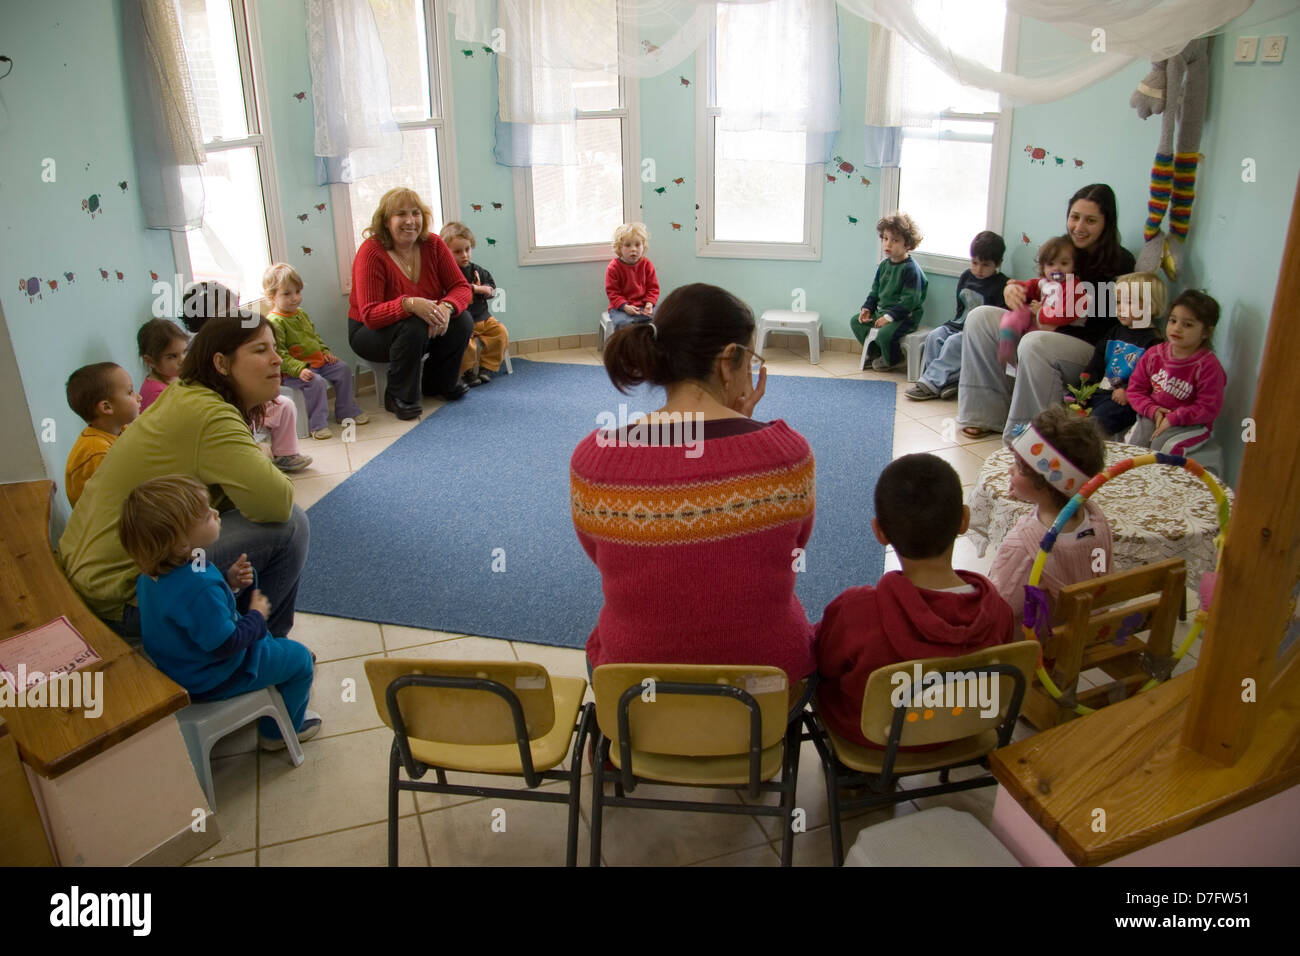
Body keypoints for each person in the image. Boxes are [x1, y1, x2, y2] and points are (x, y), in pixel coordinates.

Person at [571, 283, 816, 682]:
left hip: (634, 689)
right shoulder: (789, 455)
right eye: (750, 359)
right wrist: (748, 427)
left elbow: (606, 556)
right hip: (767, 689)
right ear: (728, 361)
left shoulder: (593, 459)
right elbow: (790, 547)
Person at [58, 313, 310, 641]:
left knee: (236, 511)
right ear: (221, 363)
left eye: (275, 348)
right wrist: (261, 454)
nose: (277, 359)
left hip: (89, 575)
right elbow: (276, 504)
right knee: (290, 525)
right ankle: (266, 648)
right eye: (260, 350)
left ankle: (239, 627)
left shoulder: (187, 392)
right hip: (122, 597)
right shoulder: (210, 415)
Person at [815, 454, 1014, 749]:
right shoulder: (997, 609)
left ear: (879, 531)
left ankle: (854, 781)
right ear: (964, 520)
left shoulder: (855, 610)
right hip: (961, 732)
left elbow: (825, 663)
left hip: (875, 740)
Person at [121, 475, 321, 750]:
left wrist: (228, 582)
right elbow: (228, 644)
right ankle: (278, 733)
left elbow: (190, 615)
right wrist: (257, 616)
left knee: (277, 648)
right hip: (217, 676)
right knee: (300, 661)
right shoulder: (198, 586)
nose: (215, 513)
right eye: (206, 516)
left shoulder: (151, 576)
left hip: (180, 669)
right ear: (180, 543)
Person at [958, 184, 1137, 442]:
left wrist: (1047, 316)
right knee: (979, 317)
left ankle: (1031, 437)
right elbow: (1040, 286)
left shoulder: (1120, 262)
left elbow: (1108, 321)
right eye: (1074, 217)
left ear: (1106, 223)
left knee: (1035, 342)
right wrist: (1013, 291)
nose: (1079, 227)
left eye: (1090, 220)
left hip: (1089, 350)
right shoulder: (1063, 250)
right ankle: (984, 414)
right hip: (1044, 328)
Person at [348, 188, 473, 421]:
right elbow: (370, 315)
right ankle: (398, 395)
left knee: (462, 320)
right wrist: (410, 304)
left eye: (415, 213)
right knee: (413, 325)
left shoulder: (433, 244)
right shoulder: (371, 252)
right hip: (368, 333)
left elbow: (462, 287)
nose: (410, 221)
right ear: (386, 221)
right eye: (401, 214)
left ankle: (438, 383)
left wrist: (446, 307)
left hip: (421, 323)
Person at [989, 406, 1112, 623]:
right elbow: (1099, 572)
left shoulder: (1024, 546)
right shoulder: (1098, 524)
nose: (1010, 470)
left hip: (1041, 647)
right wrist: (1032, 495)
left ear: (1043, 485)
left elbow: (1000, 606)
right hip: (1086, 631)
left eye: (1018, 466)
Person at [180, 282, 311, 473]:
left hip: (245, 400)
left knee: (285, 405)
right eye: (229, 312)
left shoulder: (231, 339)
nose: (236, 316)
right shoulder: (198, 349)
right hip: (230, 404)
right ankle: (256, 452)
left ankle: (285, 454)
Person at [263, 262, 369, 439]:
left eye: (297, 292)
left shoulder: (300, 313)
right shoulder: (275, 322)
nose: (295, 298)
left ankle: (346, 410)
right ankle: (317, 424)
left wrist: (325, 352)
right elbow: (279, 354)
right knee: (316, 382)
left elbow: (313, 337)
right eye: (287, 294)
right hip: (293, 371)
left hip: (316, 361)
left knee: (342, 369)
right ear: (272, 296)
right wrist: (299, 369)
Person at [906, 231, 1007, 401]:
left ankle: (931, 383)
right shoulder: (967, 276)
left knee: (953, 343)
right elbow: (961, 307)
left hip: (977, 333)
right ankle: (940, 382)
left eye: (985, 265)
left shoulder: (1002, 285)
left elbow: (998, 319)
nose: (979, 269)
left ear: (998, 264)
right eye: (975, 263)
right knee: (934, 336)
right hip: (958, 324)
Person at [1126, 289, 1226, 456]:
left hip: (1192, 424)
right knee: (1135, 445)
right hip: (1154, 414)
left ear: (1206, 332)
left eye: (1188, 324)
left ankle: (1159, 482)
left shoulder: (1208, 366)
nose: (1177, 328)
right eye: (1173, 321)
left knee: (1163, 448)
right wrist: (1153, 410)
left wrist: (1174, 418)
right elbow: (1135, 390)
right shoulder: (1153, 354)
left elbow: (1208, 407)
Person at [1077, 272, 1167, 438]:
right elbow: (1097, 361)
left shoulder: (1155, 341)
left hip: (1126, 400)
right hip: (1103, 391)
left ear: (1151, 305)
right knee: (1069, 405)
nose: (1121, 307)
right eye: (1118, 302)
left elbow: (1151, 377)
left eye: (1129, 302)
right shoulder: (1115, 331)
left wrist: (1127, 390)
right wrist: (1085, 387)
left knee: (1097, 422)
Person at [851, 212, 928, 371]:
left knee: (885, 334)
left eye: (895, 240)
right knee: (856, 322)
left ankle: (894, 360)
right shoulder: (884, 266)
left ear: (907, 244)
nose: (888, 244)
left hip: (905, 316)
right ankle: (876, 354)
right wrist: (867, 309)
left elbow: (909, 301)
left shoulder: (910, 269)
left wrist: (889, 317)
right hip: (883, 313)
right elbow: (875, 291)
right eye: (885, 239)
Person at [997, 235, 1089, 366]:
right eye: (1051, 264)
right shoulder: (1047, 282)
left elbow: (1065, 314)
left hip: (1061, 333)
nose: (1057, 269)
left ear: (1073, 266)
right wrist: (1015, 286)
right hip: (1043, 326)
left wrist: (1041, 312)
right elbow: (1031, 285)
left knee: (1030, 344)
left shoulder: (1073, 286)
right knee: (1020, 311)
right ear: (1043, 267)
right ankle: (1008, 337)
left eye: (1064, 263)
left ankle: (1018, 359)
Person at [440, 222, 509, 387]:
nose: (464, 255)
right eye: (457, 251)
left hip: (484, 318)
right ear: (445, 253)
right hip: (463, 323)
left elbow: (491, 289)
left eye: (467, 249)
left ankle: (487, 367)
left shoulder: (477, 271)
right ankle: (467, 372)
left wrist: (478, 288)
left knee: (500, 334)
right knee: (466, 346)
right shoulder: (446, 273)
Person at [64, 363, 141, 508]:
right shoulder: (96, 453)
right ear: (106, 407)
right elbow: (115, 502)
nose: (139, 397)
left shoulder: (119, 429)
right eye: (130, 392)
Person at [604, 222, 659, 331]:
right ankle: (626, 347)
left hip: (643, 305)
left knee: (661, 318)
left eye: (637, 245)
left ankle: (651, 346)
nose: (633, 249)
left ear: (643, 246)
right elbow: (612, 292)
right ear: (619, 248)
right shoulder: (613, 267)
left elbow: (653, 288)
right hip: (621, 308)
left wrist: (649, 303)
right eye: (628, 245)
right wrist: (625, 306)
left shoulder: (646, 264)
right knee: (624, 324)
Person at [137, 318, 188, 411]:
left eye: (184, 352)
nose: (183, 360)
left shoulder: (173, 376)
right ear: (150, 361)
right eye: (172, 356)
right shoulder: (156, 394)